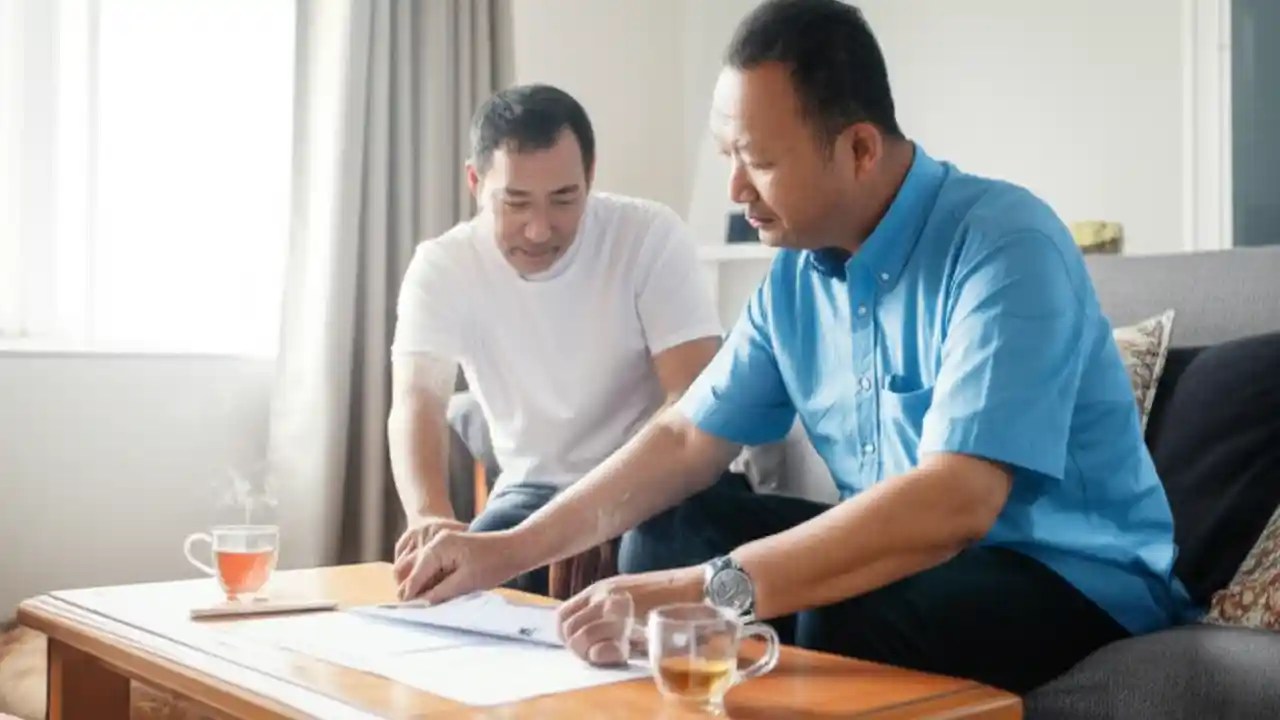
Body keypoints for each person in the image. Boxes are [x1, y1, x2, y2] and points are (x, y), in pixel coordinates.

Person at [393, 0, 1196, 692]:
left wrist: (705, 591)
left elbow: (956, 502)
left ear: (857, 149)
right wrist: (503, 548)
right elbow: (682, 439)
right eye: (727, 157)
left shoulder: (1004, 243)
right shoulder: (797, 278)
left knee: (823, 602)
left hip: (1068, 579)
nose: (736, 192)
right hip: (919, 560)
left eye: (759, 162)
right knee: (670, 525)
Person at [387, 84, 723, 594]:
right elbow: (417, 401)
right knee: (460, 581)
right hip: (531, 491)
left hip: (656, 484)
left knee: (654, 552)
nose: (540, 229)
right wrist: (429, 516)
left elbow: (693, 402)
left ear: (590, 176)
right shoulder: (443, 265)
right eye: (516, 203)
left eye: (564, 199)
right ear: (476, 182)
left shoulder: (649, 236)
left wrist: (602, 512)